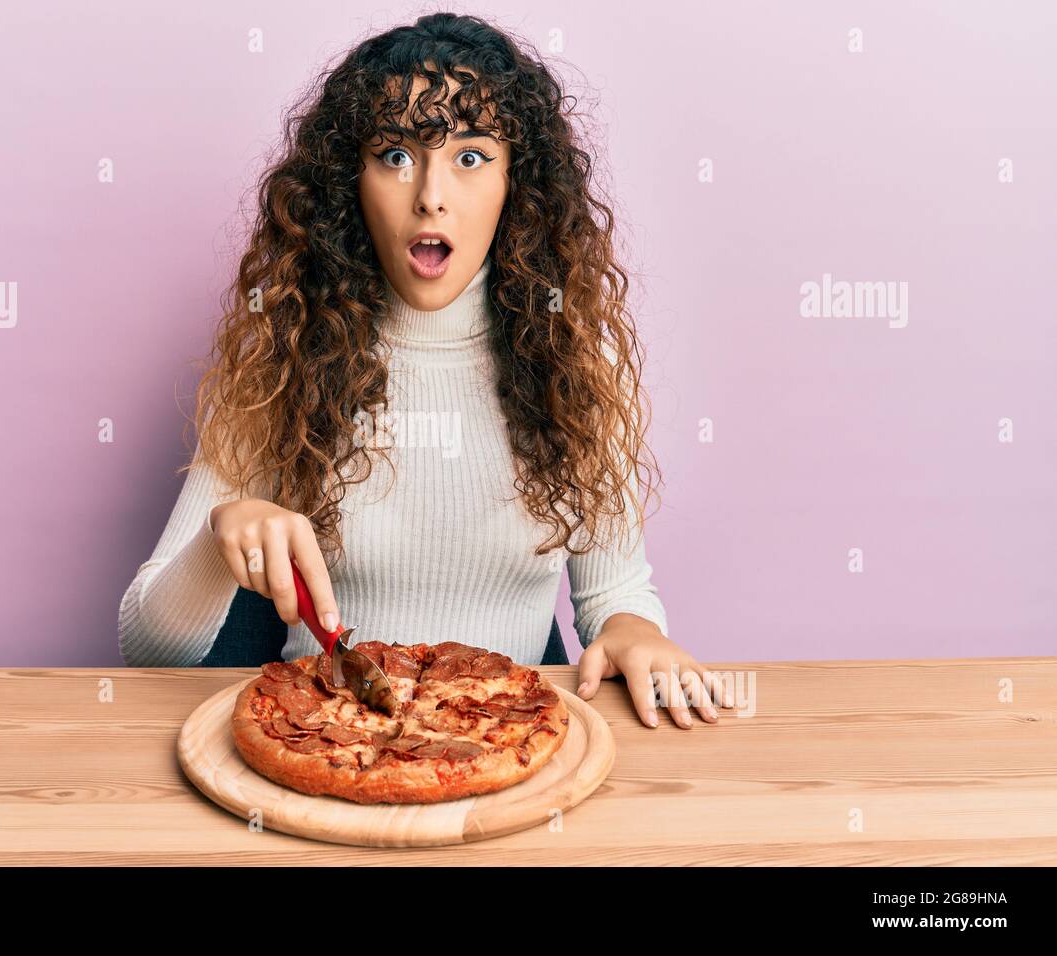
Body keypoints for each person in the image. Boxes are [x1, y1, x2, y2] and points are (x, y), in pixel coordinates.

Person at [118, 12, 724, 729]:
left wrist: (634, 632)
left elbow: (615, 594)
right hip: (332, 741)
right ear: (352, 179)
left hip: (508, 744)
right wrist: (224, 534)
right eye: (396, 156)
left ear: (515, 184)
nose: (430, 195)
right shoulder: (281, 348)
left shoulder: (583, 355)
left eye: (470, 157)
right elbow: (145, 646)